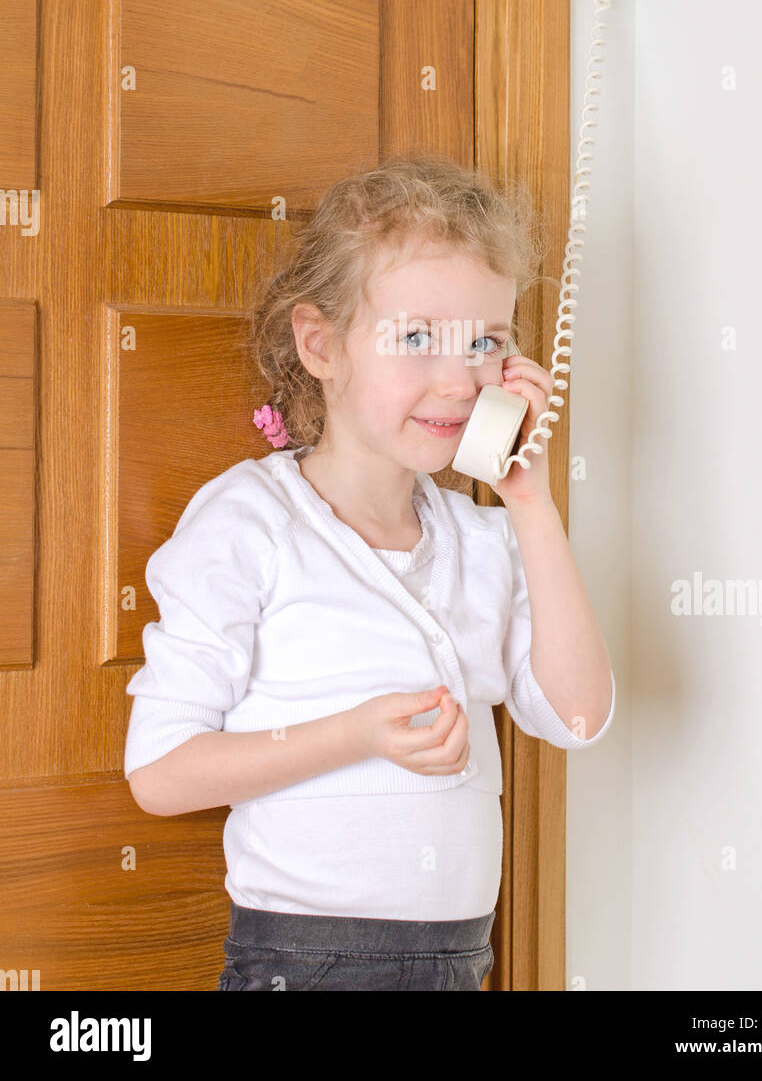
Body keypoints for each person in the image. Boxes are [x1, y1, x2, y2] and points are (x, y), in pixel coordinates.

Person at [124, 155, 616, 991]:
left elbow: (577, 716)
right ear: (320, 343)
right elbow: (160, 774)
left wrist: (527, 497)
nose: (460, 380)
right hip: (304, 960)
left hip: (460, 959)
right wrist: (354, 736)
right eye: (416, 337)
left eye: (486, 342)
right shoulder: (250, 524)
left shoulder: (485, 539)